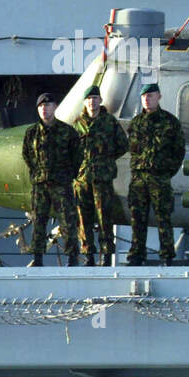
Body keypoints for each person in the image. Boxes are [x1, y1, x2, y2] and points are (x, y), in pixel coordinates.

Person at [125, 82, 185, 266]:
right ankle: (137, 254)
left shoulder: (170, 121)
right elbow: (131, 150)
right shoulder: (136, 123)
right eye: (144, 96)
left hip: (160, 177)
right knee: (137, 218)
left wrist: (166, 172)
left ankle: (167, 254)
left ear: (158, 97)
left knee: (163, 217)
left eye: (150, 96)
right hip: (139, 178)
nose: (146, 99)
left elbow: (179, 150)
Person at [21, 92, 82, 267]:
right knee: (39, 221)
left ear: (55, 107)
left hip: (61, 183)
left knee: (68, 221)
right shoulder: (32, 133)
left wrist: (68, 173)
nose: (44, 109)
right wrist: (36, 171)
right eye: (41, 106)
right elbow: (27, 154)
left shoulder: (67, 131)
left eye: (47, 106)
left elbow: (77, 155)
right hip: (40, 184)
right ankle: (38, 257)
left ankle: (72, 257)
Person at [74, 85, 129, 267]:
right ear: (85, 102)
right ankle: (88, 254)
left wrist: (107, 159)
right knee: (84, 219)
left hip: (103, 179)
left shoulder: (109, 122)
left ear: (100, 101)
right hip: (82, 180)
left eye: (96, 98)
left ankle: (106, 255)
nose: (92, 101)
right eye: (89, 98)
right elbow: (70, 150)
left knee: (105, 217)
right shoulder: (78, 124)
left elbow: (122, 144)